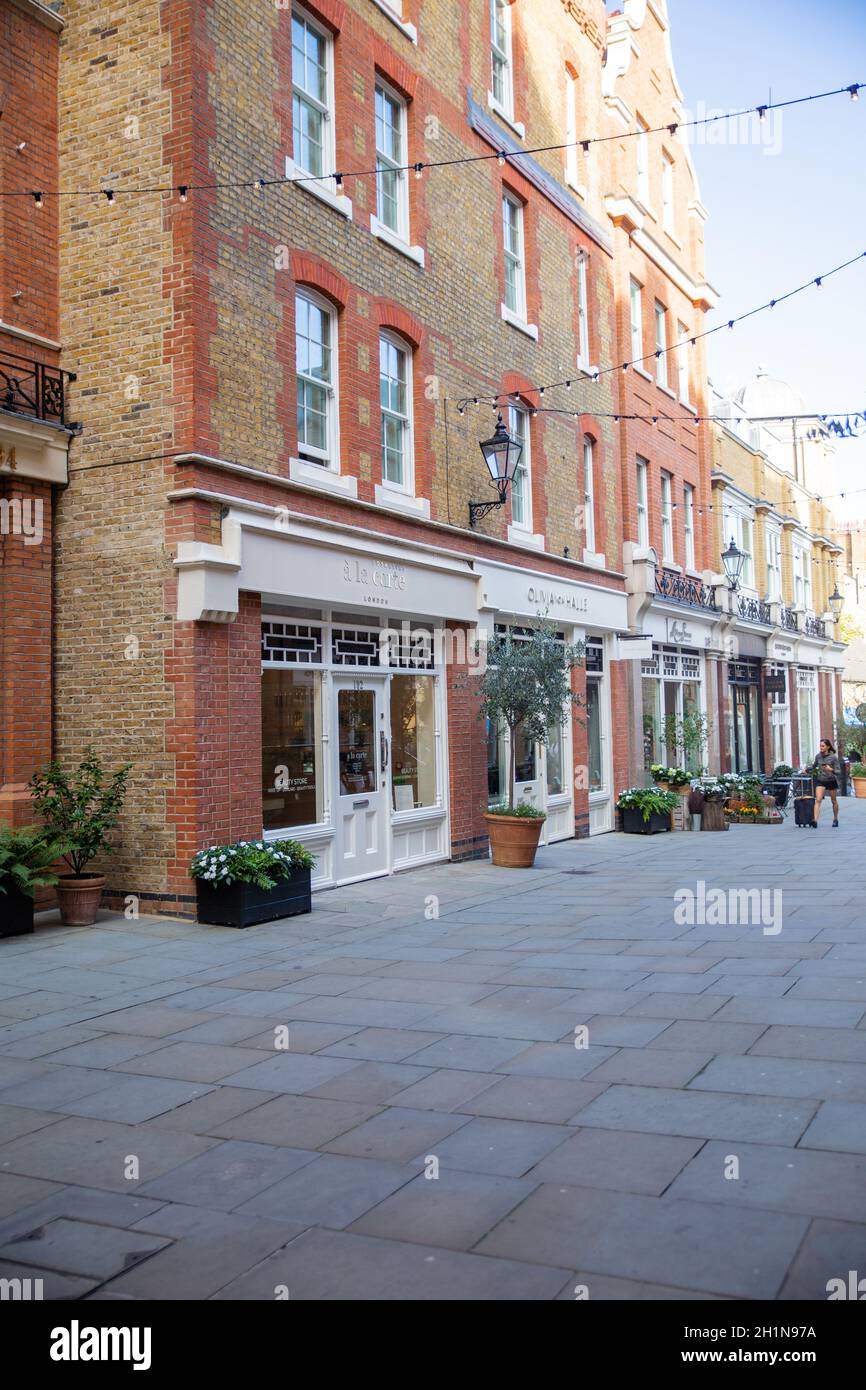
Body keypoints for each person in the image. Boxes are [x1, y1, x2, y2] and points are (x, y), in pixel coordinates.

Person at [812, 738, 842, 827]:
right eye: (820, 746)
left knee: (833, 801)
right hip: (821, 780)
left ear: (828, 747)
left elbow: (838, 771)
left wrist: (830, 769)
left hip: (831, 780)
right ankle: (815, 820)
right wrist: (807, 770)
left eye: (823, 746)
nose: (820, 747)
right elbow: (814, 766)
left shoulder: (833, 757)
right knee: (818, 800)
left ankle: (835, 819)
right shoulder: (818, 756)